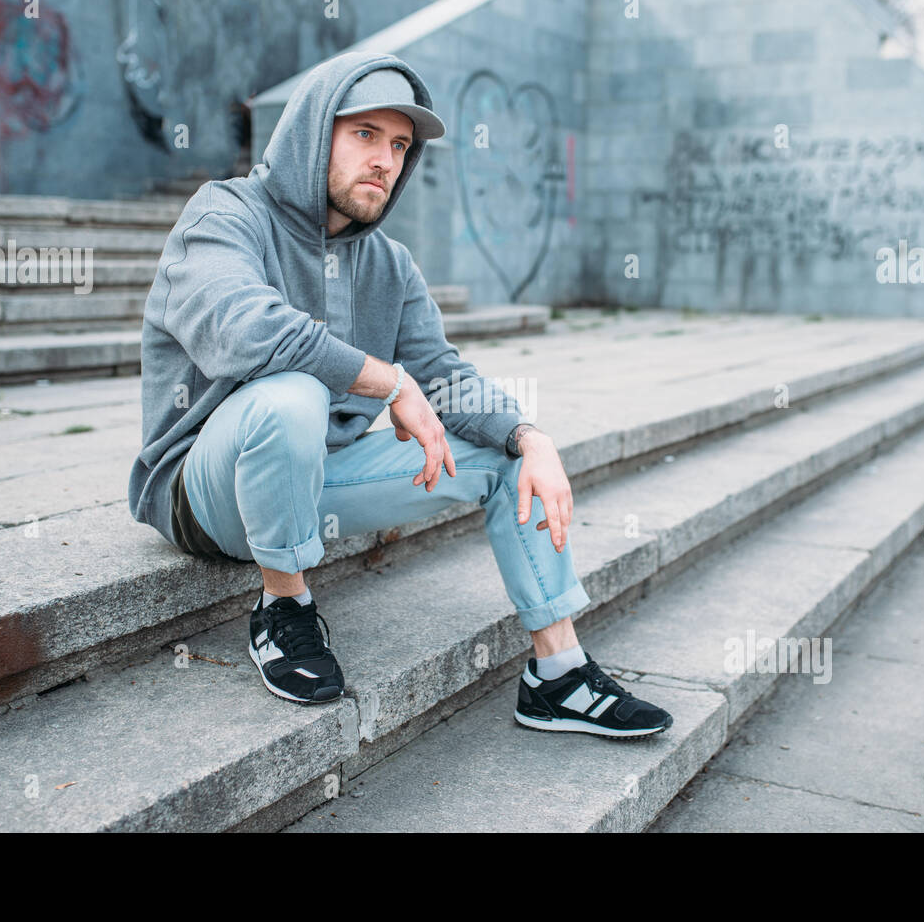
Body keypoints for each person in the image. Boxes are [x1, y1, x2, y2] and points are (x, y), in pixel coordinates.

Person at [127, 51, 672, 739]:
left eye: (399, 145)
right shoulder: (225, 215)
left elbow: (442, 374)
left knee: (503, 457)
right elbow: (242, 329)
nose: (385, 159)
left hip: (313, 483)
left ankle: (557, 672)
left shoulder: (388, 264)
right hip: (205, 492)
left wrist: (530, 436)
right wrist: (388, 380)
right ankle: (285, 608)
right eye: (364, 135)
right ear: (312, 131)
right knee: (293, 394)